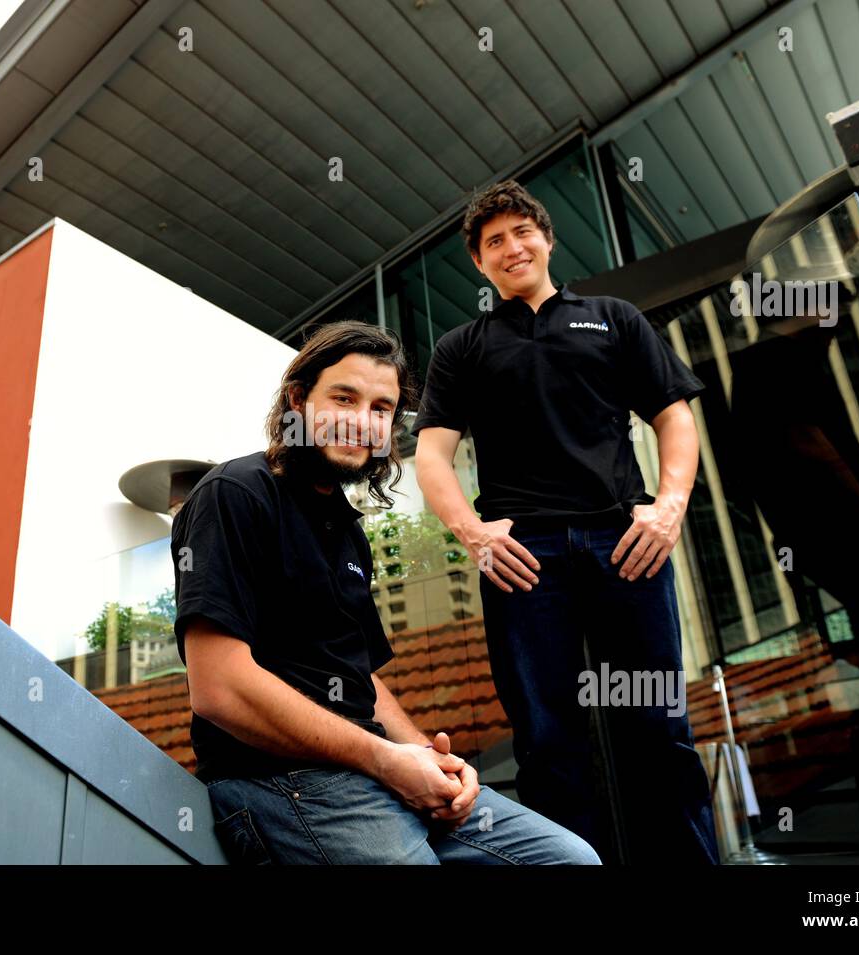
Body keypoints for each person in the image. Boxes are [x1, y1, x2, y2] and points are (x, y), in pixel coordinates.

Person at [170, 320, 600, 865]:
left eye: (381, 409)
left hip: (371, 771)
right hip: (279, 780)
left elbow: (362, 678)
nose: (362, 421)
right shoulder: (235, 494)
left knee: (569, 859)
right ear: (298, 400)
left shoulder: (347, 530)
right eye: (344, 398)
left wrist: (426, 758)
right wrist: (384, 760)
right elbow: (219, 688)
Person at [413, 179, 719, 864]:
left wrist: (668, 508)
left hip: (625, 543)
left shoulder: (612, 318)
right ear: (480, 264)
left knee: (659, 725)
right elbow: (432, 452)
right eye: (494, 241)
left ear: (547, 240)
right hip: (523, 557)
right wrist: (473, 533)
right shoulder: (464, 345)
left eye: (523, 231)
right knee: (547, 740)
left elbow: (674, 416)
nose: (511, 246)